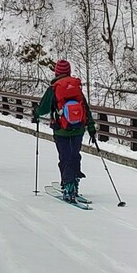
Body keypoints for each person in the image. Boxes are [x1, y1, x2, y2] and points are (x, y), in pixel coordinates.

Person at [32, 60, 96, 202]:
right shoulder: (76, 87)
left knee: (65, 158)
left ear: (56, 72)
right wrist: (91, 127)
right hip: (79, 128)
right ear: (68, 71)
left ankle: (68, 187)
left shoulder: (54, 88)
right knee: (75, 155)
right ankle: (75, 183)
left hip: (61, 130)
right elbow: (85, 108)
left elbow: (43, 109)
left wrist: (36, 113)